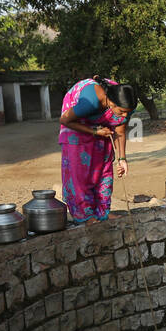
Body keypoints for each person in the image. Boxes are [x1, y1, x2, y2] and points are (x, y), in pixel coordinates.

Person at [59, 75, 137, 222]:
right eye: (122, 111)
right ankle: (85, 215)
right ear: (111, 103)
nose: (126, 115)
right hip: (75, 123)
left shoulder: (126, 104)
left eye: (128, 112)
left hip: (99, 124)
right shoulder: (91, 102)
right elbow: (64, 119)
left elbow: (120, 131)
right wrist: (94, 131)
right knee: (80, 172)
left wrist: (122, 159)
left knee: (104, 168)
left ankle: (102, 212)